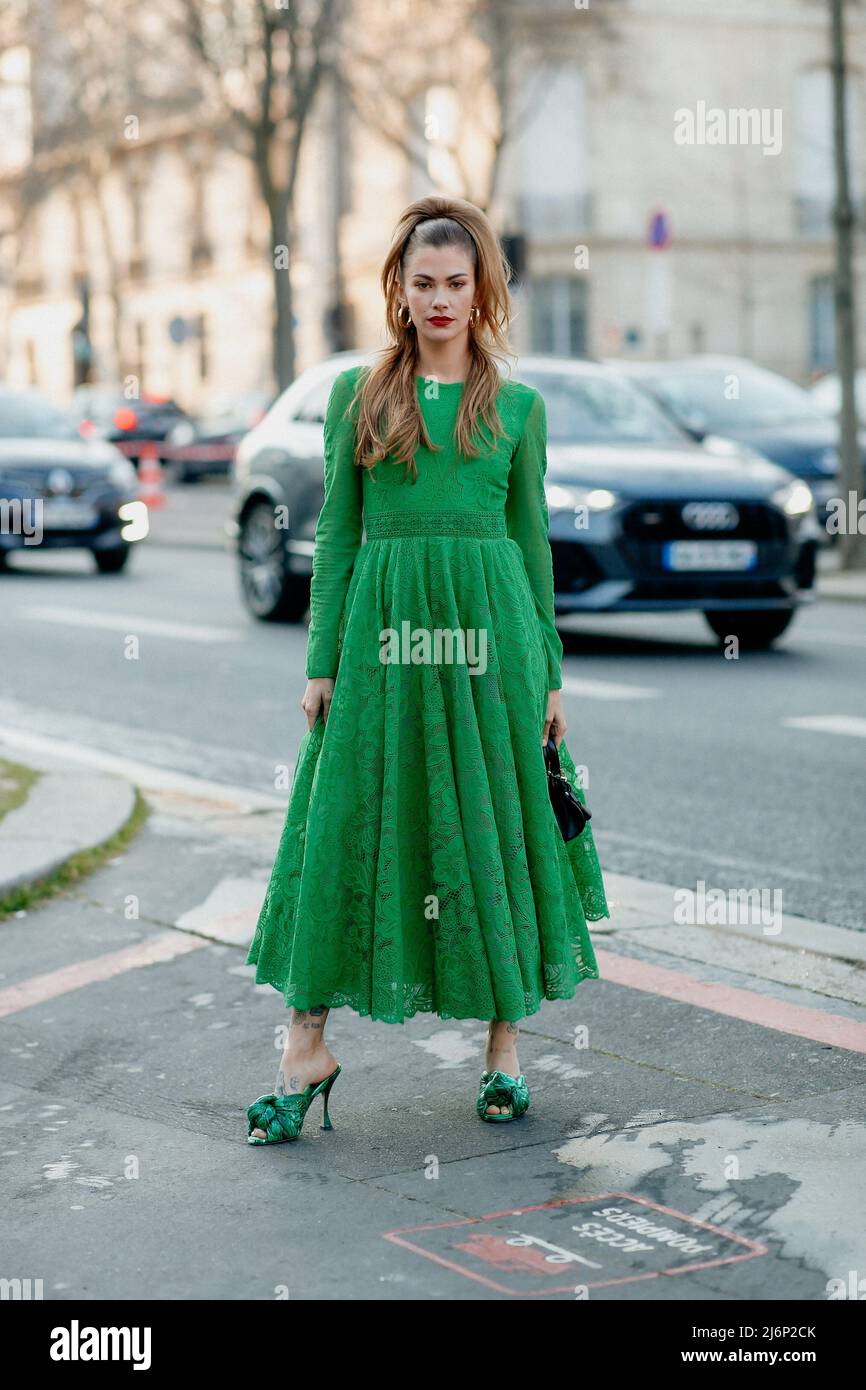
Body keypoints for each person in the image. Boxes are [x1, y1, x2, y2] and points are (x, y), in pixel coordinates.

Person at [245, 195, 609, 1145]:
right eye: (423, 284)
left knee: (492, 828)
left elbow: (532, 551)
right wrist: (322, 659)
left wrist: (552, 673)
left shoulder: (519, 408)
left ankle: (502, 1051)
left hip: (497, 648)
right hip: (379, 644)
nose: (441, 299)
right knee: (347, 823)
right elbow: (336, 538)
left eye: (457, 282)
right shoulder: (357, 398)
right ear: (398, 294)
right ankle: (305, 1046)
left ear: (482, 288)